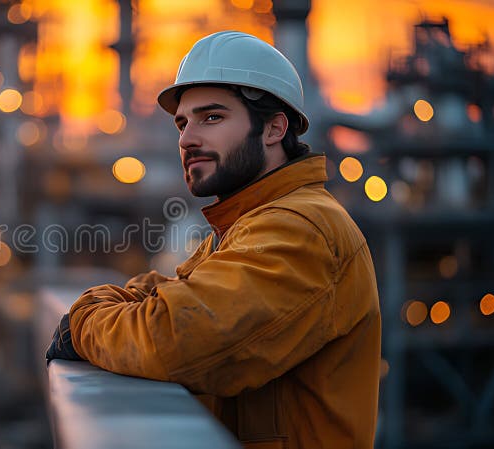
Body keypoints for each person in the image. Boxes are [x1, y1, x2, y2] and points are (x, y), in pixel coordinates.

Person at [46, 31, 381, 449]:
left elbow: (176, 339)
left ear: (275, 127)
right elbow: (164, 296)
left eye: (212, 117)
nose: (187, 139)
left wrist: (82, 325)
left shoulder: (301, 229)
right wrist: (104, 307)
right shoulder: (245, 225)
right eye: (183, 123)